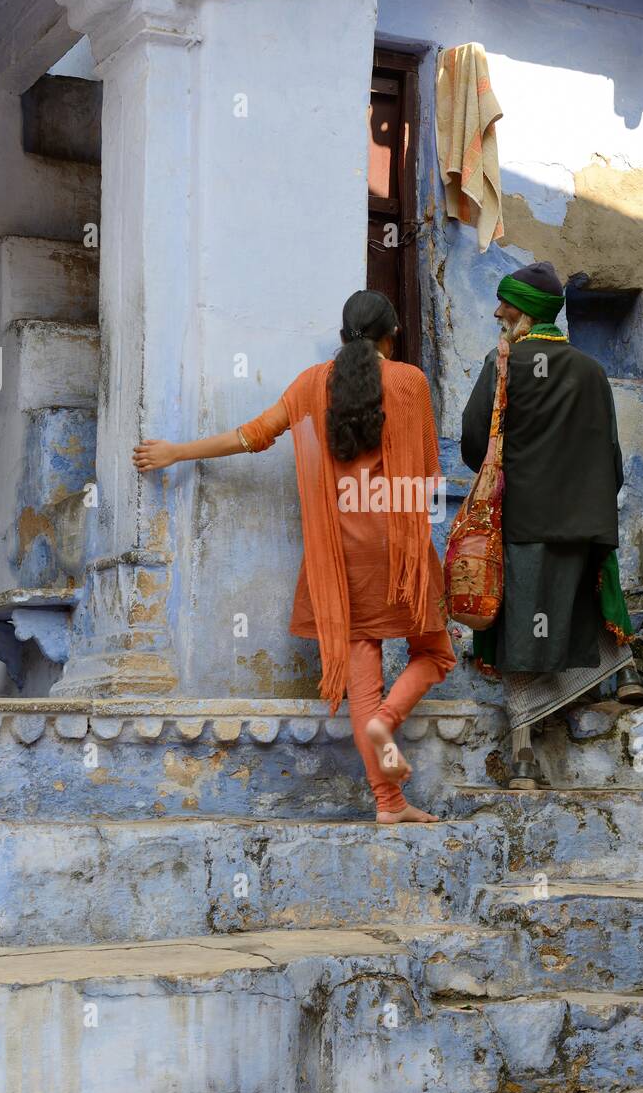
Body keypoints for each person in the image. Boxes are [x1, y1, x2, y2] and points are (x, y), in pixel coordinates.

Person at [133, 290, 455, 823]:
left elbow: (252, 436)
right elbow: (426, 475)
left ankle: (388, 801)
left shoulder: (310, 385)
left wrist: (176, 452)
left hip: (339, 556)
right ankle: (388, 726)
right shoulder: (411, 382)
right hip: (397, 548)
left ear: (342, 336)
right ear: (390, 337)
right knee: (436, 654)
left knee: (362, 681)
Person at [461, 261, 643, 788]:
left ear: (526, 312)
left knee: (521, 630)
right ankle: (623, 670)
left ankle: (523, 754)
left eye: (507, 305)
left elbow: (476, 444)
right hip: (585, 522)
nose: (499, 313)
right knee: (583, 605)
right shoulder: (591, 371)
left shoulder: (501, 367)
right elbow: (610, 455)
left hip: (523, 521)